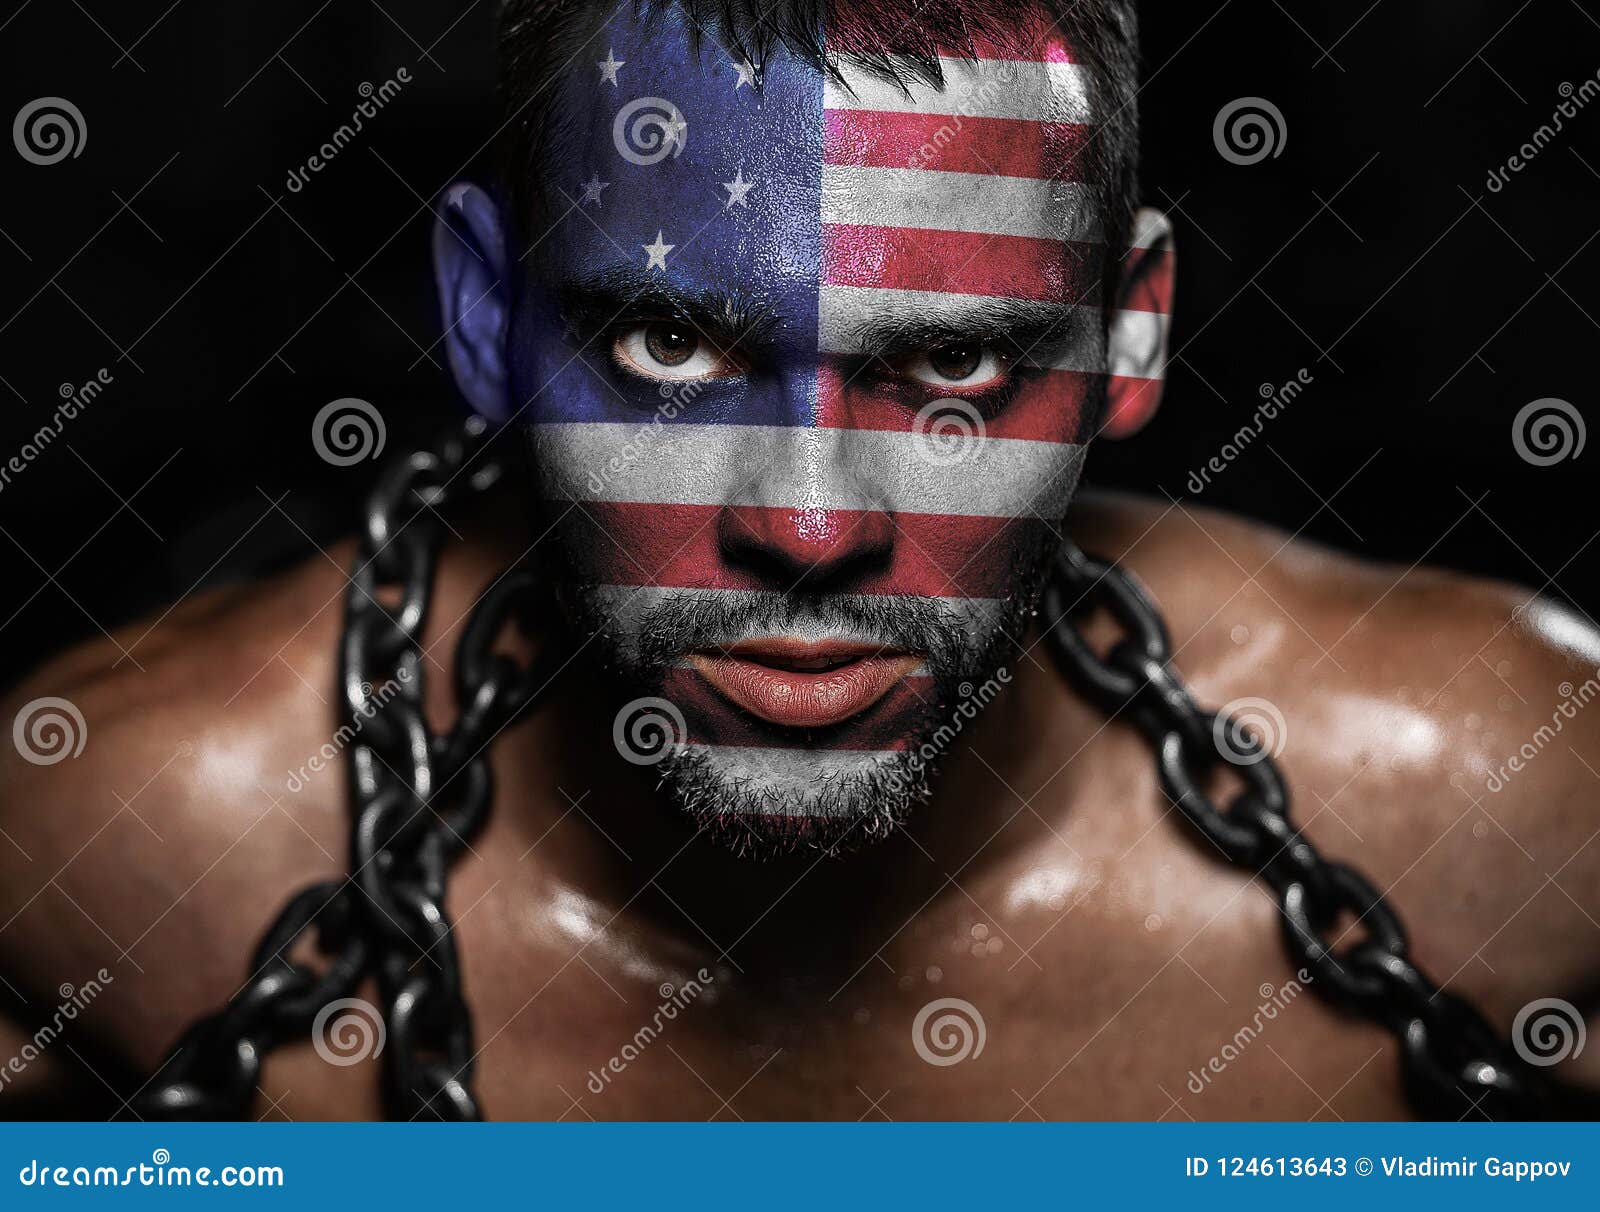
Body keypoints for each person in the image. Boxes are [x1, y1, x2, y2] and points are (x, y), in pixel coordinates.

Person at [1, 0, 1596, 1120]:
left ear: (1128, 333)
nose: (814, 526)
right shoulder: (121, 853)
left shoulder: (1509, 807)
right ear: (485, 316)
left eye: (956, 366)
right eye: (671, 340)